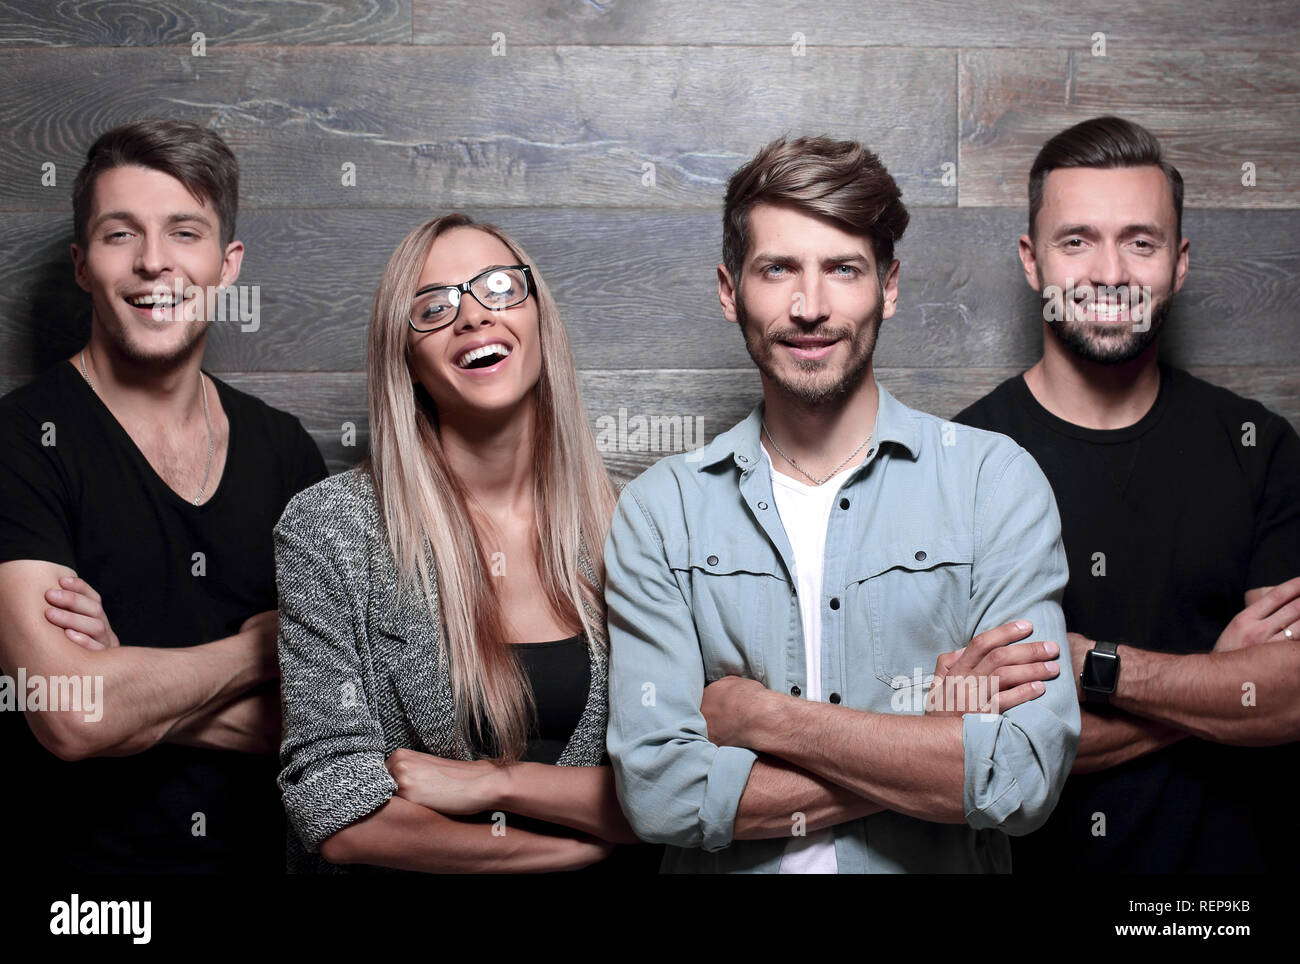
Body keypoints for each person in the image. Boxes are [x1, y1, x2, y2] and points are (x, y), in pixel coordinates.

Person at [603, 135, 1079, 873]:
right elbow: (661, 796)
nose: (810, 307)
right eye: (778, 269)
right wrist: (927, 740)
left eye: (843, 269)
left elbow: (1021, 779)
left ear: (888, 286)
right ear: (731, 292)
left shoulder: (993, 482)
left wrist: (766, 719)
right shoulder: (661, 512)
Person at [955, 115, 1300, 873]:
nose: (1109, 272)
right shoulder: (959, 464)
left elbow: (1290, 698)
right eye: (1076, 240)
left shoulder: (1259, 448)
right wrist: (1212, 676)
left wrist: (1094, 667)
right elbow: (969, 741)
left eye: (1140, 242)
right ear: (1031, 262)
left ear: (1178, 264)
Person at [275, 213, 651, 873]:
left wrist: (500, 783)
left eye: (500, 287)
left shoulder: (640, 526)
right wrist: (559, 855)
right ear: (408, 359)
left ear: (539, 320)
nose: (475, 316)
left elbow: (681, 777)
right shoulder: (328, 529)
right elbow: (334, 804)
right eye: (434, 307)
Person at [0, 119, 327, 873]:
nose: (154, 263)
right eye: (121, 235)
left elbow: (341, 721)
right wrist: (258, 647)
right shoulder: (21, 443)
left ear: (226, 263)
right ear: (83, 266)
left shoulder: (284, 452)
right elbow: (71, 716)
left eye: (185, 232)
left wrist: (128, 684)